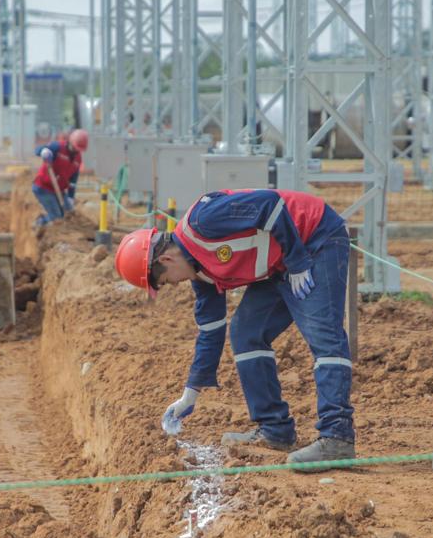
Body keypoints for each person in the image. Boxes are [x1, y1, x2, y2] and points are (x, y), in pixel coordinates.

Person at [113, 188, 355, 469]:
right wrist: (190, 393)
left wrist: (298, 262)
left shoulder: (204, 220)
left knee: (323, 333)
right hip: (282, 262)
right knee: (245, 332)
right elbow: (210, 332)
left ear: (165, 260)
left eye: (166, 281)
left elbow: (269, 204)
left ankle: (337, 437)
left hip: (315, 238)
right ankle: (275, 430)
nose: (175, 284)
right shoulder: (201, 275)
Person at [33, 128, 88, 227]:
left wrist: (70, 197)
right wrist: (43, 151)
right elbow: (37, 150)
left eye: (79, 149)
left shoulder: (78, 159)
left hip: (59, 190)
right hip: (43, 188)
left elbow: (73, 181)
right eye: (75, 148)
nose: (76, 151)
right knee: (57, 217)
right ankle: (40, 222)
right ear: (70, 142)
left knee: (69, 213)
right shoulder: (57, 147)